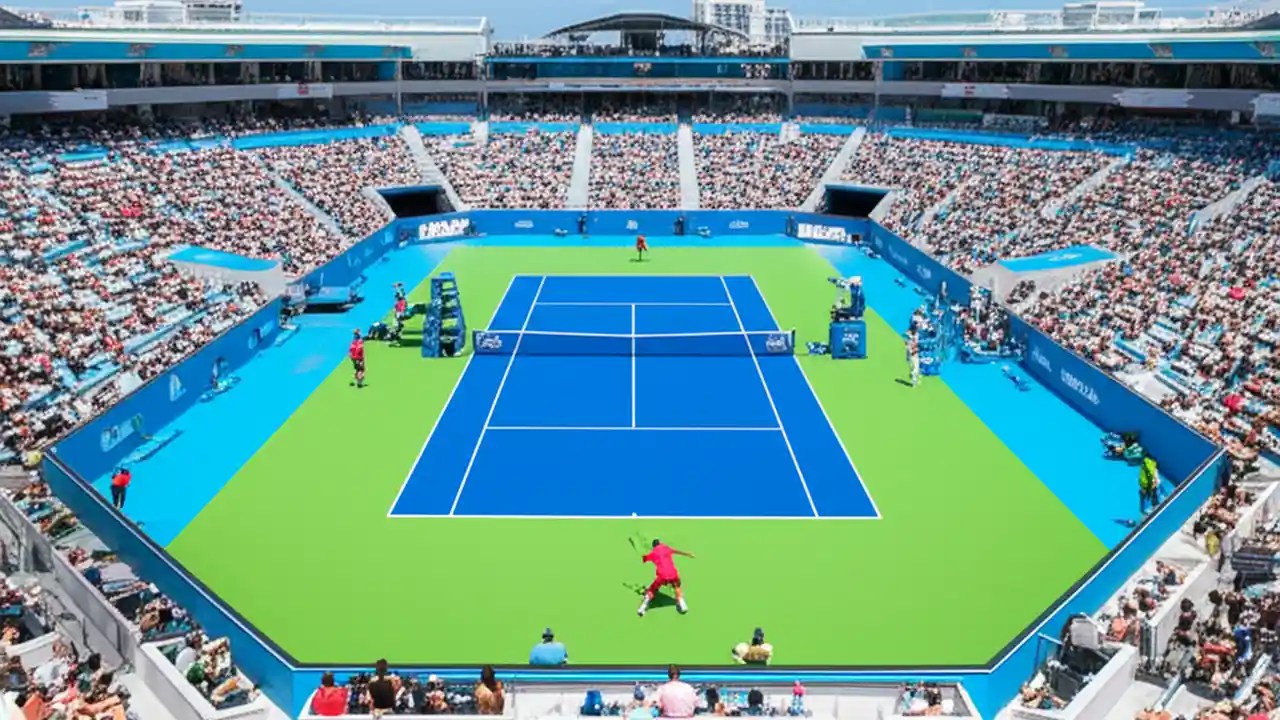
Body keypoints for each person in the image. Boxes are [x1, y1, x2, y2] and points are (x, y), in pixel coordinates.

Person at [638, 539, 693, 616]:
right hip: (673, 574)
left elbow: (644, 559)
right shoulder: (667, 548)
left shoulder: (653, 553)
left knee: (652, 589)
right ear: (660, 543)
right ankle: (682, 603)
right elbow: (677, 551)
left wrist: (642, 555)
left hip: (662, 576)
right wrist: (688, 554)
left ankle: (643, 606)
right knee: (677, 585)